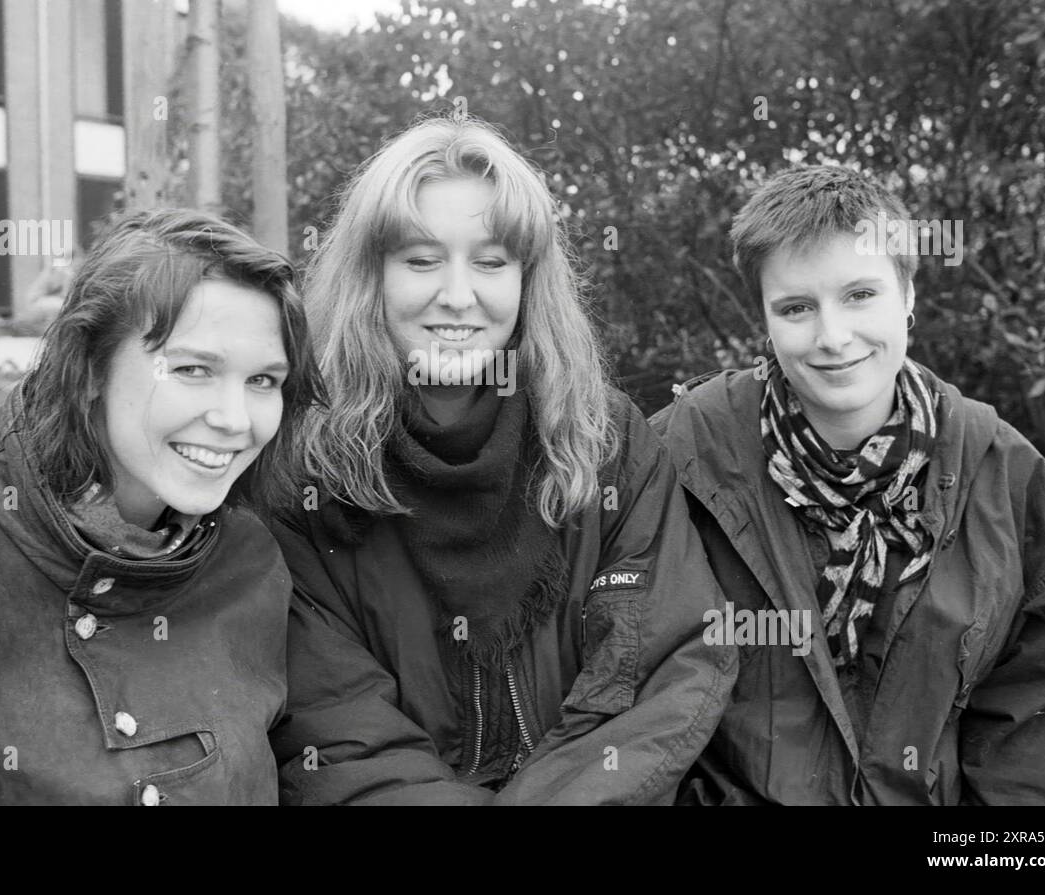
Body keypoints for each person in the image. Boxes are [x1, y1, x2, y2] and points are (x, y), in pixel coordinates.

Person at [265, 116, 736, 805]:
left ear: (528, 280)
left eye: (490, 262)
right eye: (421, 260)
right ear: (372, 275)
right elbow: (335, 726)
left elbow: (665, 667)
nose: (458, 295)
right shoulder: (303, 470)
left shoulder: (605, 441)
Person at [0, 209, 323, 804]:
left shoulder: (252, 548)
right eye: (191, 370)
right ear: (89, 370)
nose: (235, 421)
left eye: (263, 381)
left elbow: (327, 751)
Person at [650, 165, 1045, 804]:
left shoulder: (1003, 472)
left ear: (909, 296)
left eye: (860, 295)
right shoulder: (681, 455)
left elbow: (1043, 726)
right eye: (796, 308)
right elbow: (627, 694)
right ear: (764, 316)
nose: (833, 337)